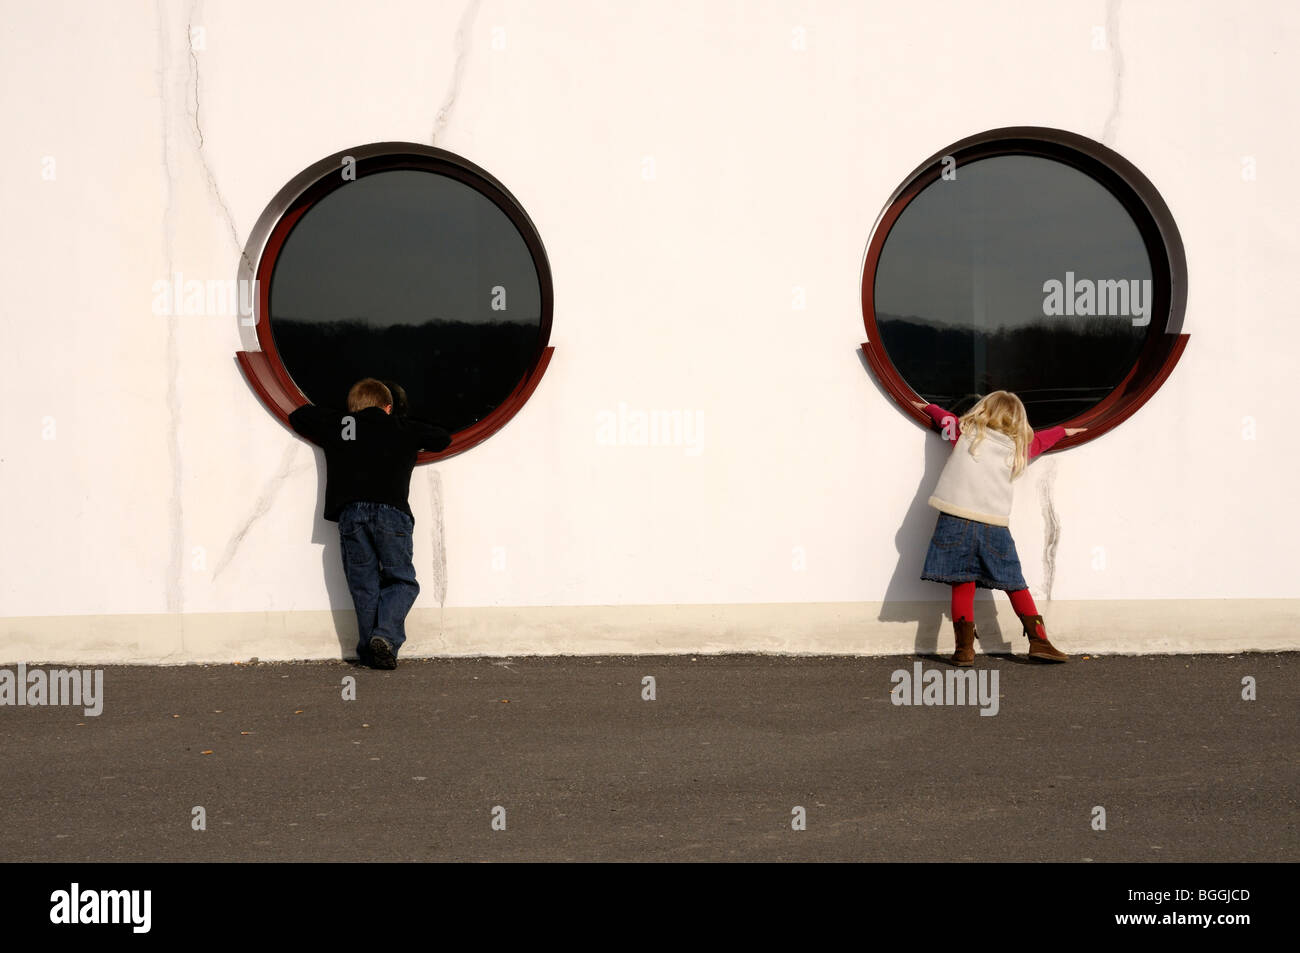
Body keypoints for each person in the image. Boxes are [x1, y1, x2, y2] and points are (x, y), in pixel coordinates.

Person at [911, 391, 1086, 666]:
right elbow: (1041, 440)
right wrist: (1063, 430)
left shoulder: (965, 433)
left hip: (955, 518)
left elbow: (944, 418)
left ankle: (964, 651)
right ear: (1018, 421)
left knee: (962, 582)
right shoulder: (1018, 449)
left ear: (984, 410)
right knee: (1014, 582)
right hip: (994, 526)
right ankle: (1039, 641)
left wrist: (928, 406)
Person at [288, 378, 451, 669]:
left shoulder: (342, 426)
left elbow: (300, 415)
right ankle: (385, 637)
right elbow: (442, 438)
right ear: (388, 407)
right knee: (401, 580)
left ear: (353, 407)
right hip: (392, 513)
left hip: (351, 514)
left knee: (364, 585)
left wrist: (344, 416)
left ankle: (369, 651)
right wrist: (402, 423)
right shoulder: (402, 427)